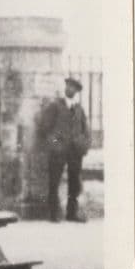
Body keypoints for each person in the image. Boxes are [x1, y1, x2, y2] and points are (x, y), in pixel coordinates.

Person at [39, 76, 91, 222]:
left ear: (77, 91)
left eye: (73, 87)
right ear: (65, 87)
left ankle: (71, 213)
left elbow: (85, 130)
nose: (70, 89)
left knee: (74, 183)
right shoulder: (55, 106)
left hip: (75, 151)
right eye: (68, 85)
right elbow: (45, 129)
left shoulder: (79, 109)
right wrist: (55, 143)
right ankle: (53, 214)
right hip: (58, 151)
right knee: (54, 181)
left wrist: (84, 145)